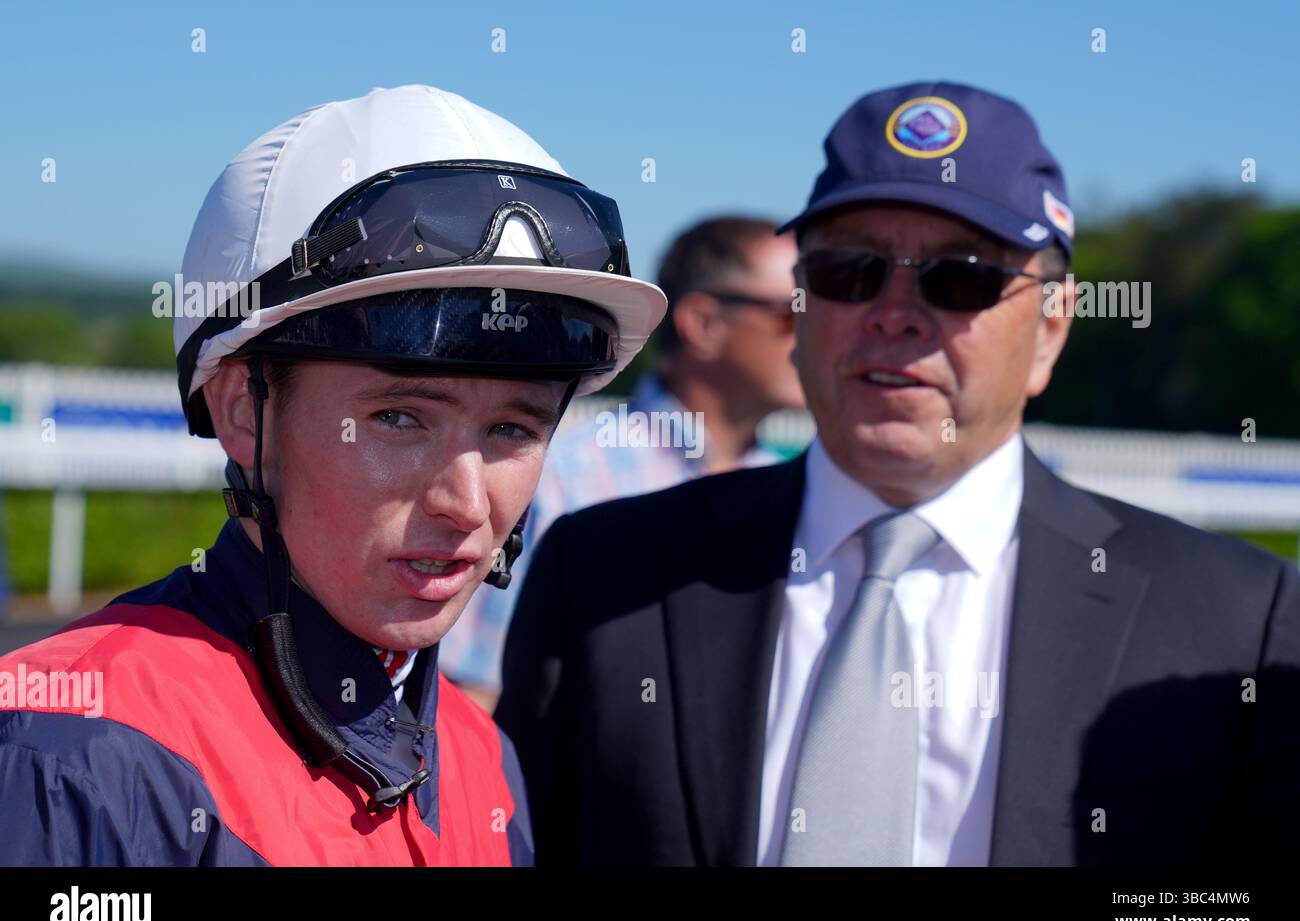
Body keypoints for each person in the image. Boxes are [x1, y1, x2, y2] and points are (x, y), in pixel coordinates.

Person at [495, 80, 1300, 866]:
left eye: (962, 277)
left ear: (1051, 329)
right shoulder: (604, 574)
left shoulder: (1235, 621)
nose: (894, 311)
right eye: (852, 271)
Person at [0, 84, 665, 866]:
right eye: (400, 418)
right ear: (245, 415)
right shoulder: (64, 752)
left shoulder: (485, 758)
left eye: (512, 430)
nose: (468, 503)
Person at [439, 216, 804, 710]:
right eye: (793, 311)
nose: (817, 331)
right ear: (704, 324)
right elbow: (475, 695)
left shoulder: (797, 492)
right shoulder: (561, 479)